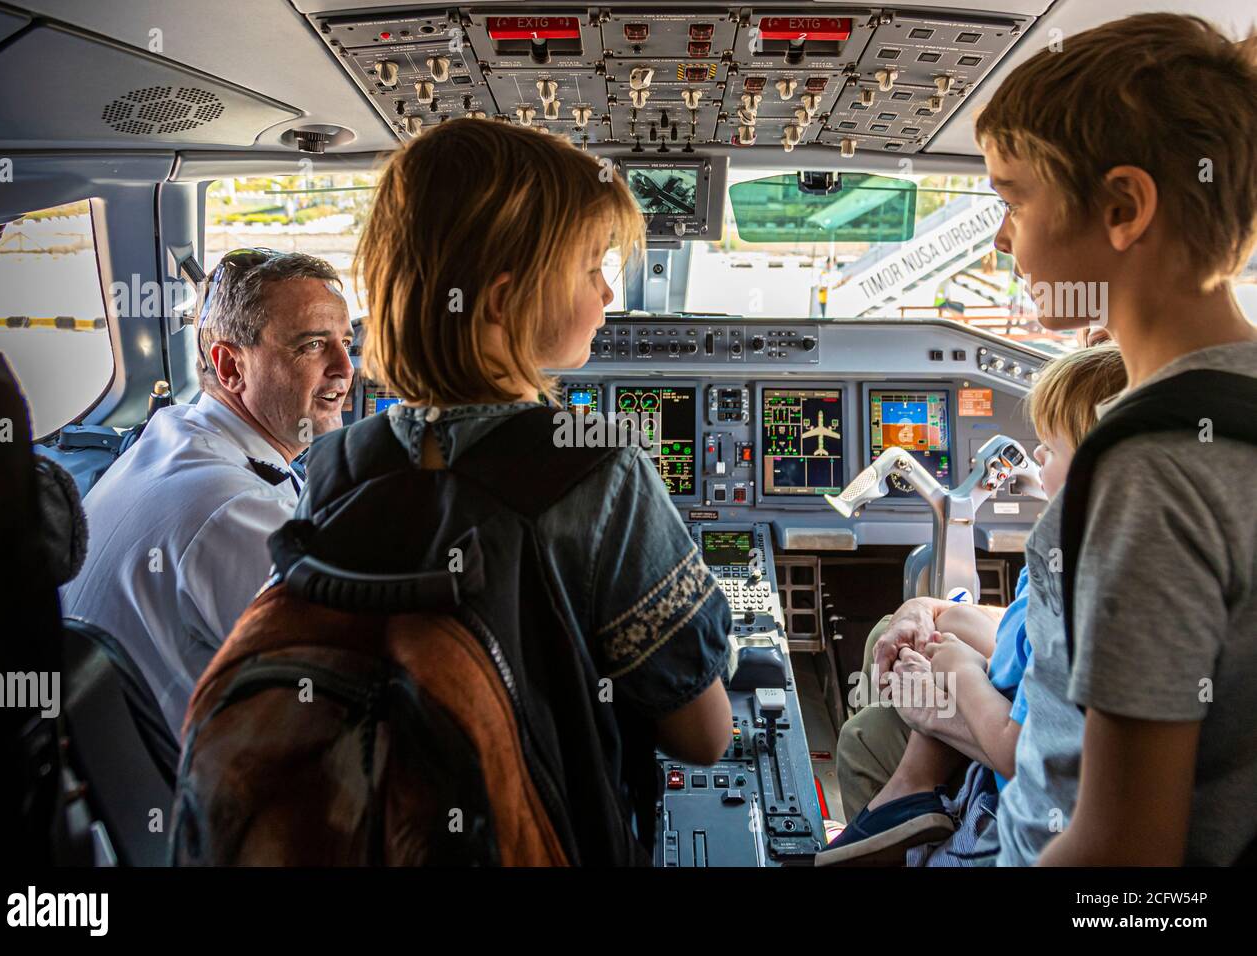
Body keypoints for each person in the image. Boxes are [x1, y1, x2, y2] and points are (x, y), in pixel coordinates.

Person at [351, 118, 733, 780]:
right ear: (504, 301)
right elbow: (703, 738)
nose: (609, 292)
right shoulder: (599, 469)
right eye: (591, 268)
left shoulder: (344, 461)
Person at [971, 12, 1257, 865]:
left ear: (1124, 207)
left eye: (1013, 199)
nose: (999, 240)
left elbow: (1122, 856)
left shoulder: (1150, 474)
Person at [821, 345, 1126, 864]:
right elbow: (1020, 628)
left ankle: (907, 803)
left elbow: (1029, 750)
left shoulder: (1079, 571)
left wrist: (959, 674)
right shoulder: (1073, 541)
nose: (1038, 460)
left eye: (1050, 448)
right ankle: (909, 786)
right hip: (1018, 723)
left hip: (1018, 797)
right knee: (905, 629)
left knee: (864, 733)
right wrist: (926, 610)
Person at [63, 251, 354, 733]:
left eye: (345, 342)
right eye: (311, 346)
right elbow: (339, 695)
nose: (345, 368)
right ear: (230, 365)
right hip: (175, 793)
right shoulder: (238, 511)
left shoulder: (171, 437)